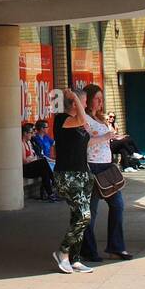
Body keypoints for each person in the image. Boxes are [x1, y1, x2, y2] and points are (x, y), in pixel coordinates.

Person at [79, 85, 133, 263]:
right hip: (92, 167)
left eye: (102, 98)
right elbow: (83, 143)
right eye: (97, 98)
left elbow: (104, 139)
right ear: (88, 100)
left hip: (107, 167)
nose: (100, 102)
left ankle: (116, 247)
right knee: (91, 211)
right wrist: (106, 137)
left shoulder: (100, 118)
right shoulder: (83, 118)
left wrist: (113, 138)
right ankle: (88, 249)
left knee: (117, 205)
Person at [52, 88, 95, 274]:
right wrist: (75, 98)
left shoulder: (78, 124)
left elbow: (87, 141)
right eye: (83, 101)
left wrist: (108, 137)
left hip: (83, 174)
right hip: (67, 175)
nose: (85, 105)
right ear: (74, 102)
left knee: (77, 217)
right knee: (85, 216)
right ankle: (62, 251)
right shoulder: (62, 120)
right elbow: (82, 118)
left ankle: (75, 259)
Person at [22, 123, 55, 201]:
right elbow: (24, 161)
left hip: (31, 166)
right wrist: (32, 158)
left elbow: (33, 156)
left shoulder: (29, 142)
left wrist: (32, 158)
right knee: (43, 162)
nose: (32, 134)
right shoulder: (21, 143)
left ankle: (50, 194)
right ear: (25, 133)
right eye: (30, 132)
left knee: (45, 171)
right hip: (25, 169)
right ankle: (54, 182)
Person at [32, 120, 58, 199]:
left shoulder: (46, 137)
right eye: (46, 127)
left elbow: (55, 144)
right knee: (49, 168)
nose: (48, 128)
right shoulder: (36, 138)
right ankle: (49, 190)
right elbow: (39, 153)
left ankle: (52, 190)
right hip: (42, 160)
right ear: (42, 128)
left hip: (49, 160)